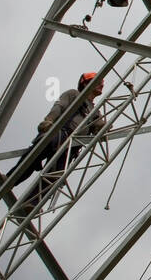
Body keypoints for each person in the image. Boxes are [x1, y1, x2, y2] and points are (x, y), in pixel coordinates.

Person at [9, 72, 106, 216]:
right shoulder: (74, 94)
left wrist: (103, 127)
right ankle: (12, 178)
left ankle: (31, 203)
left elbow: (99, 129)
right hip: (60, 133)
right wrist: (49, 120)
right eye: (97, 82)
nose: (101, 85)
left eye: (101, 83)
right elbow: (59, 106)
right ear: (85, 83)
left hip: (72, 146)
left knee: (55, 175)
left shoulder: (95, 111)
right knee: (36, 154)